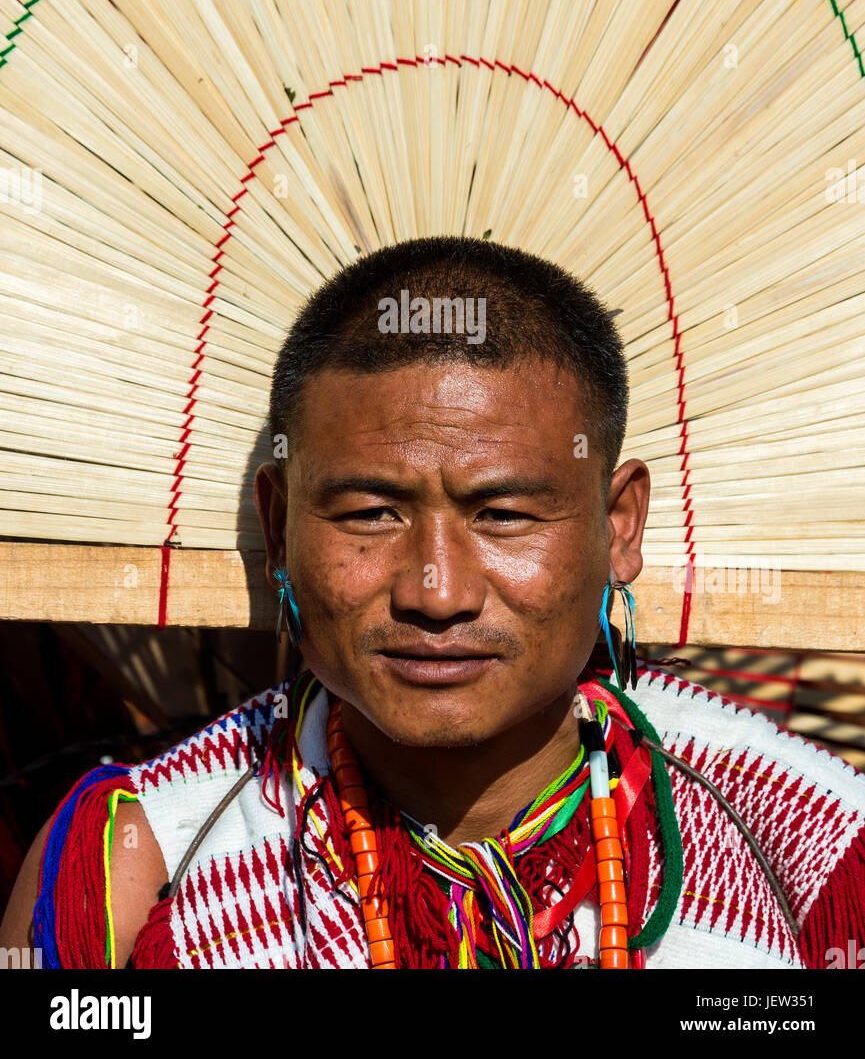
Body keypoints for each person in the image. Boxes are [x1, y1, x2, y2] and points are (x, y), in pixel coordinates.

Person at [2, 235, 864, 969]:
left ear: (618, 526)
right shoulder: (138, 863)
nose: (436, 592)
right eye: (370, 514)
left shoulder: (809, 846)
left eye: (503, 514)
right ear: (277, 523)